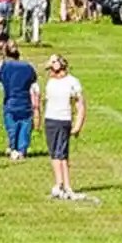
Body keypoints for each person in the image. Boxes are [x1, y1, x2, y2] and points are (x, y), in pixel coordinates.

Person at [36, 54, 85, 199]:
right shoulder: (50, 82)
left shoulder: (72, 82)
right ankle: (59, 183)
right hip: (50, 119)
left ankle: (66, 185)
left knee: (61, 154)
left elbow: (80, 104)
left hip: (63, 120)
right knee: (54, 154)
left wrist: (78, 124)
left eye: (55, 61)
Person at [0, 42, 38, 160]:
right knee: (25, 126)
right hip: (25, 102)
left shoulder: (5, 67)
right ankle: (22, 149)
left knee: (12, 128)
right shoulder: (28, 67)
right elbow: (33, 84)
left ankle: (13, 147)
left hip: (10, 101)